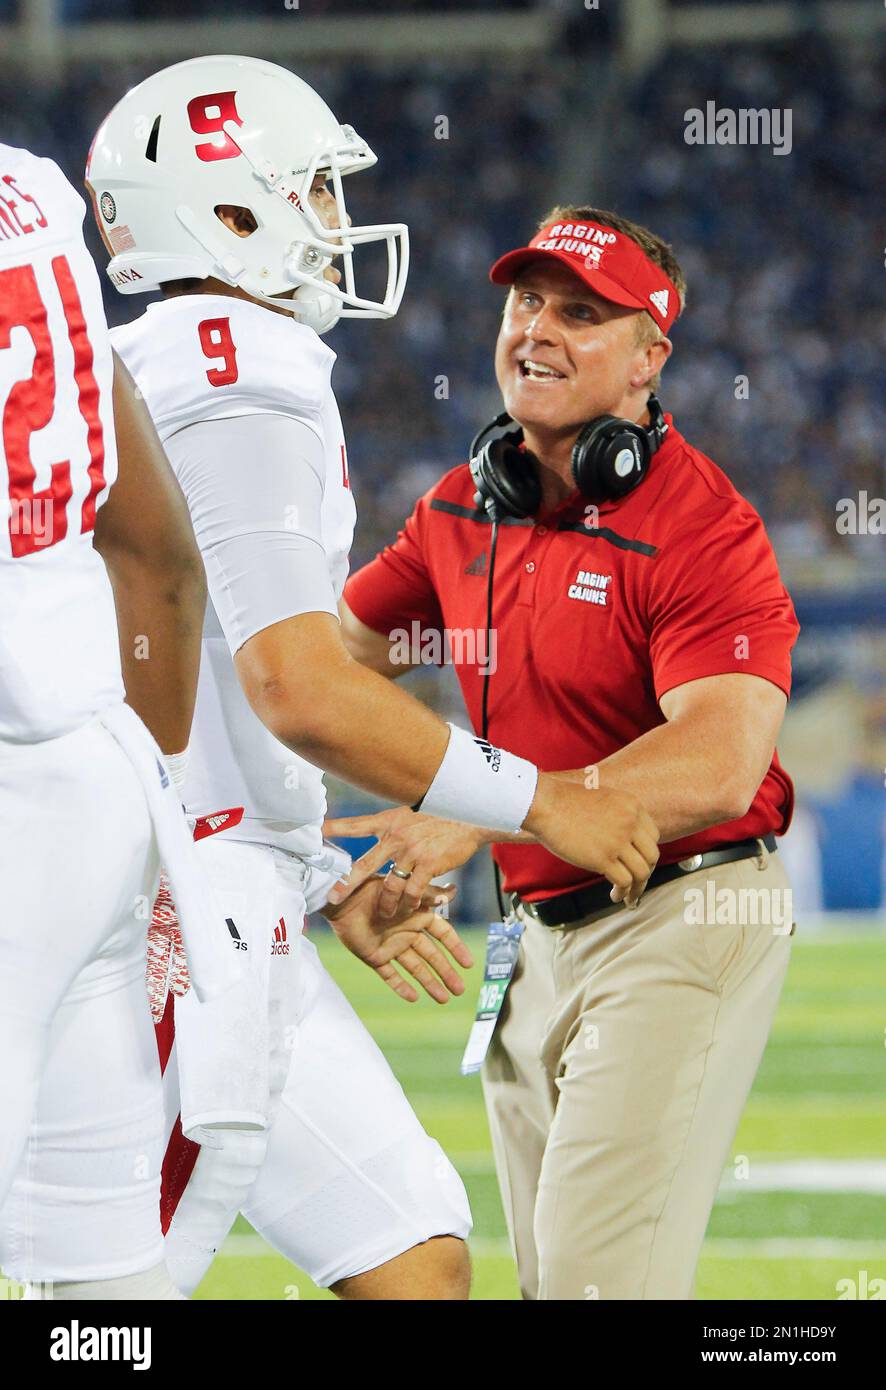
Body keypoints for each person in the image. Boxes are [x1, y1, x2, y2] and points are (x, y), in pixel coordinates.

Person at [86, 58, 659, 1301]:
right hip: (154, 905)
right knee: (112, 1304)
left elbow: (209, 682)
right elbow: (295, 682)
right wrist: (541, 802)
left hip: (203, 882)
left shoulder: (169, 359)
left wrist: (307, 871)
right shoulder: (239, 369)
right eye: (315, 193)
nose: (338, 225)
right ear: (228, 215)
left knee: (410, 1252)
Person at [337, 206, 801, 1300]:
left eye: (580, 313)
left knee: (603, 1286)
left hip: (681, 912)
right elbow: (331, 671)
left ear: (650, 360)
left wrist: (483, 808)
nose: (535, 328)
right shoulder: (461, 508)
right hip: (530, 936)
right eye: (525, 301)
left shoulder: (702, 527)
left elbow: (721, 759)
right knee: (560, 1288)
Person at [0, 141, 231, 1300]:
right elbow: (161, 556)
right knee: (104, 1293)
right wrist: (155, 822)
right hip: (98, 792)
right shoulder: (33, 192)